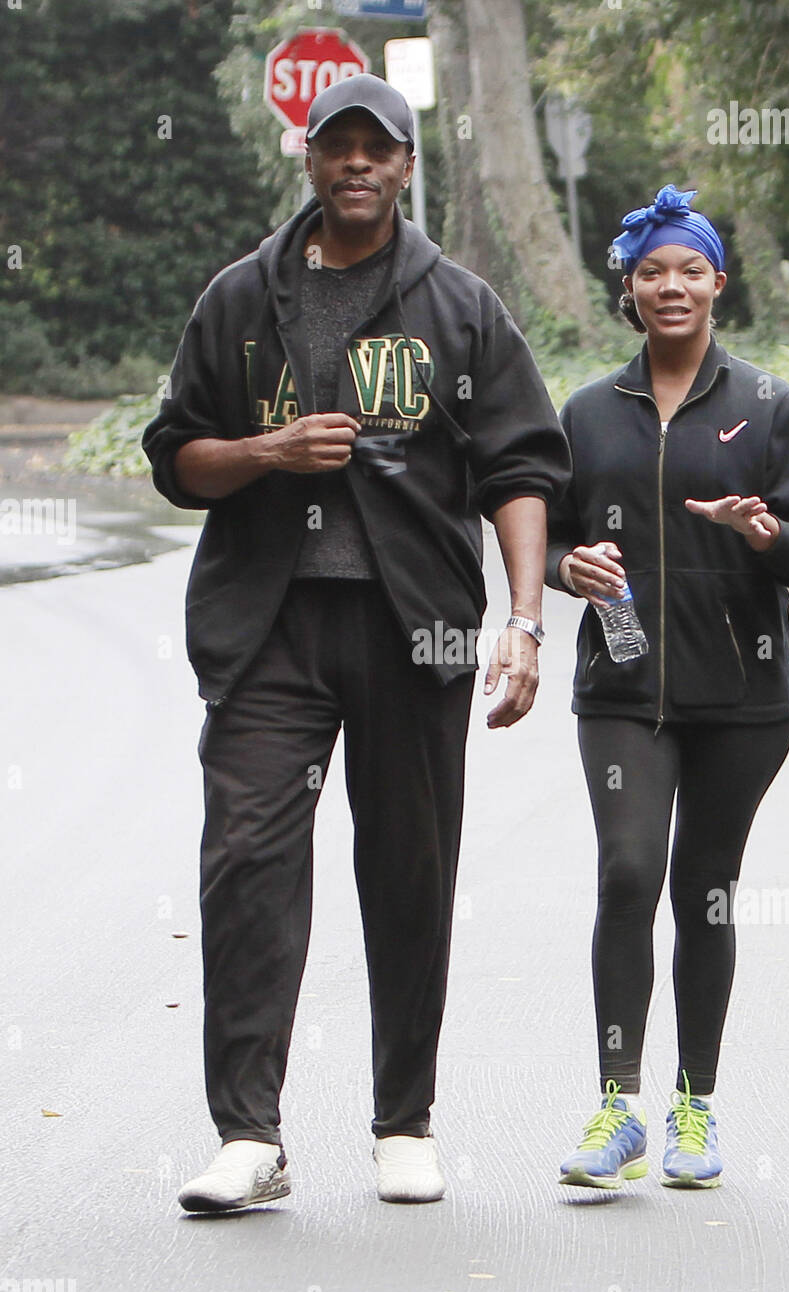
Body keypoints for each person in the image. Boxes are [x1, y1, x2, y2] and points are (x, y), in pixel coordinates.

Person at [143, 74, 570, 1212]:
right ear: (311, 160)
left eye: (376, 149)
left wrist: (524, 622)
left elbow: (521, 470)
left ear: (405, 166)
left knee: (409, 872)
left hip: (413, 624)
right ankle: (248, 1134)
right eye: (336, 146)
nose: (356, 165)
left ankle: (403, 1121)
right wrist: (267, 453)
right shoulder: (239, 299)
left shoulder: (461, 306)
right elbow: (179, 455)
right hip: (266, 622)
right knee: (243, 867)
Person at [546, 185, 789, 1190]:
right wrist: (559, 570)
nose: (668, 286)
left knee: (703, 894)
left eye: (688, 269)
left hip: (743, 702)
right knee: (626, 874)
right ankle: (616, 1107)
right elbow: (539, 530)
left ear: (716, 282)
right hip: (621, 686)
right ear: (628, 289)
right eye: (649, 272)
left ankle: (693, 1106)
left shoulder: (763, 407)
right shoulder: (586, 411)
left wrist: (763, 532)